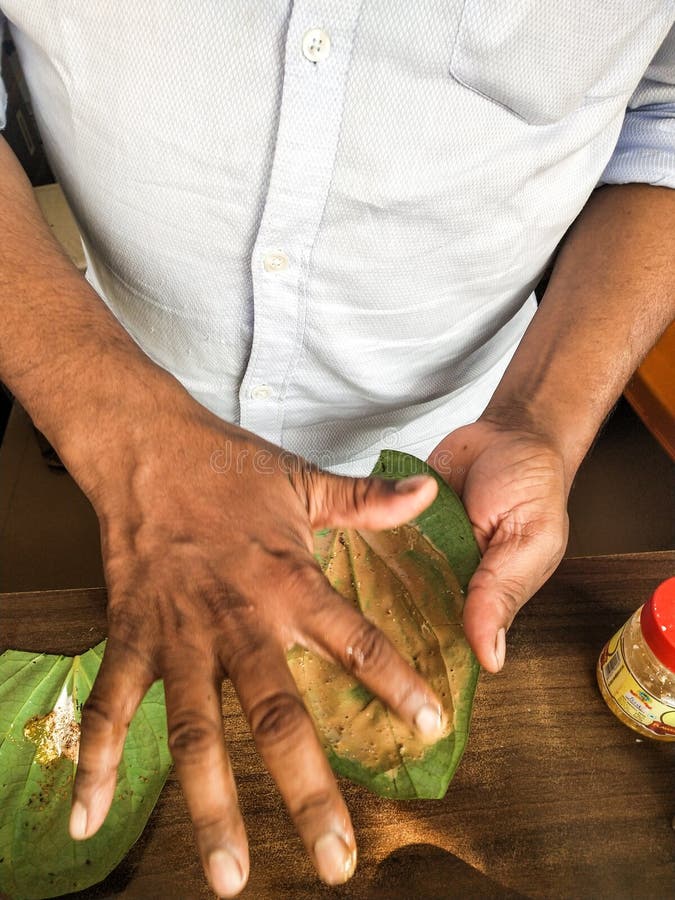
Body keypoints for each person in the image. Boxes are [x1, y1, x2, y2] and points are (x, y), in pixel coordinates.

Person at [1, 4, 674, 896]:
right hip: (115, 399)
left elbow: (663, 123)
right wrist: (120, 429)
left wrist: (540, 412)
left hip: (444, 453)